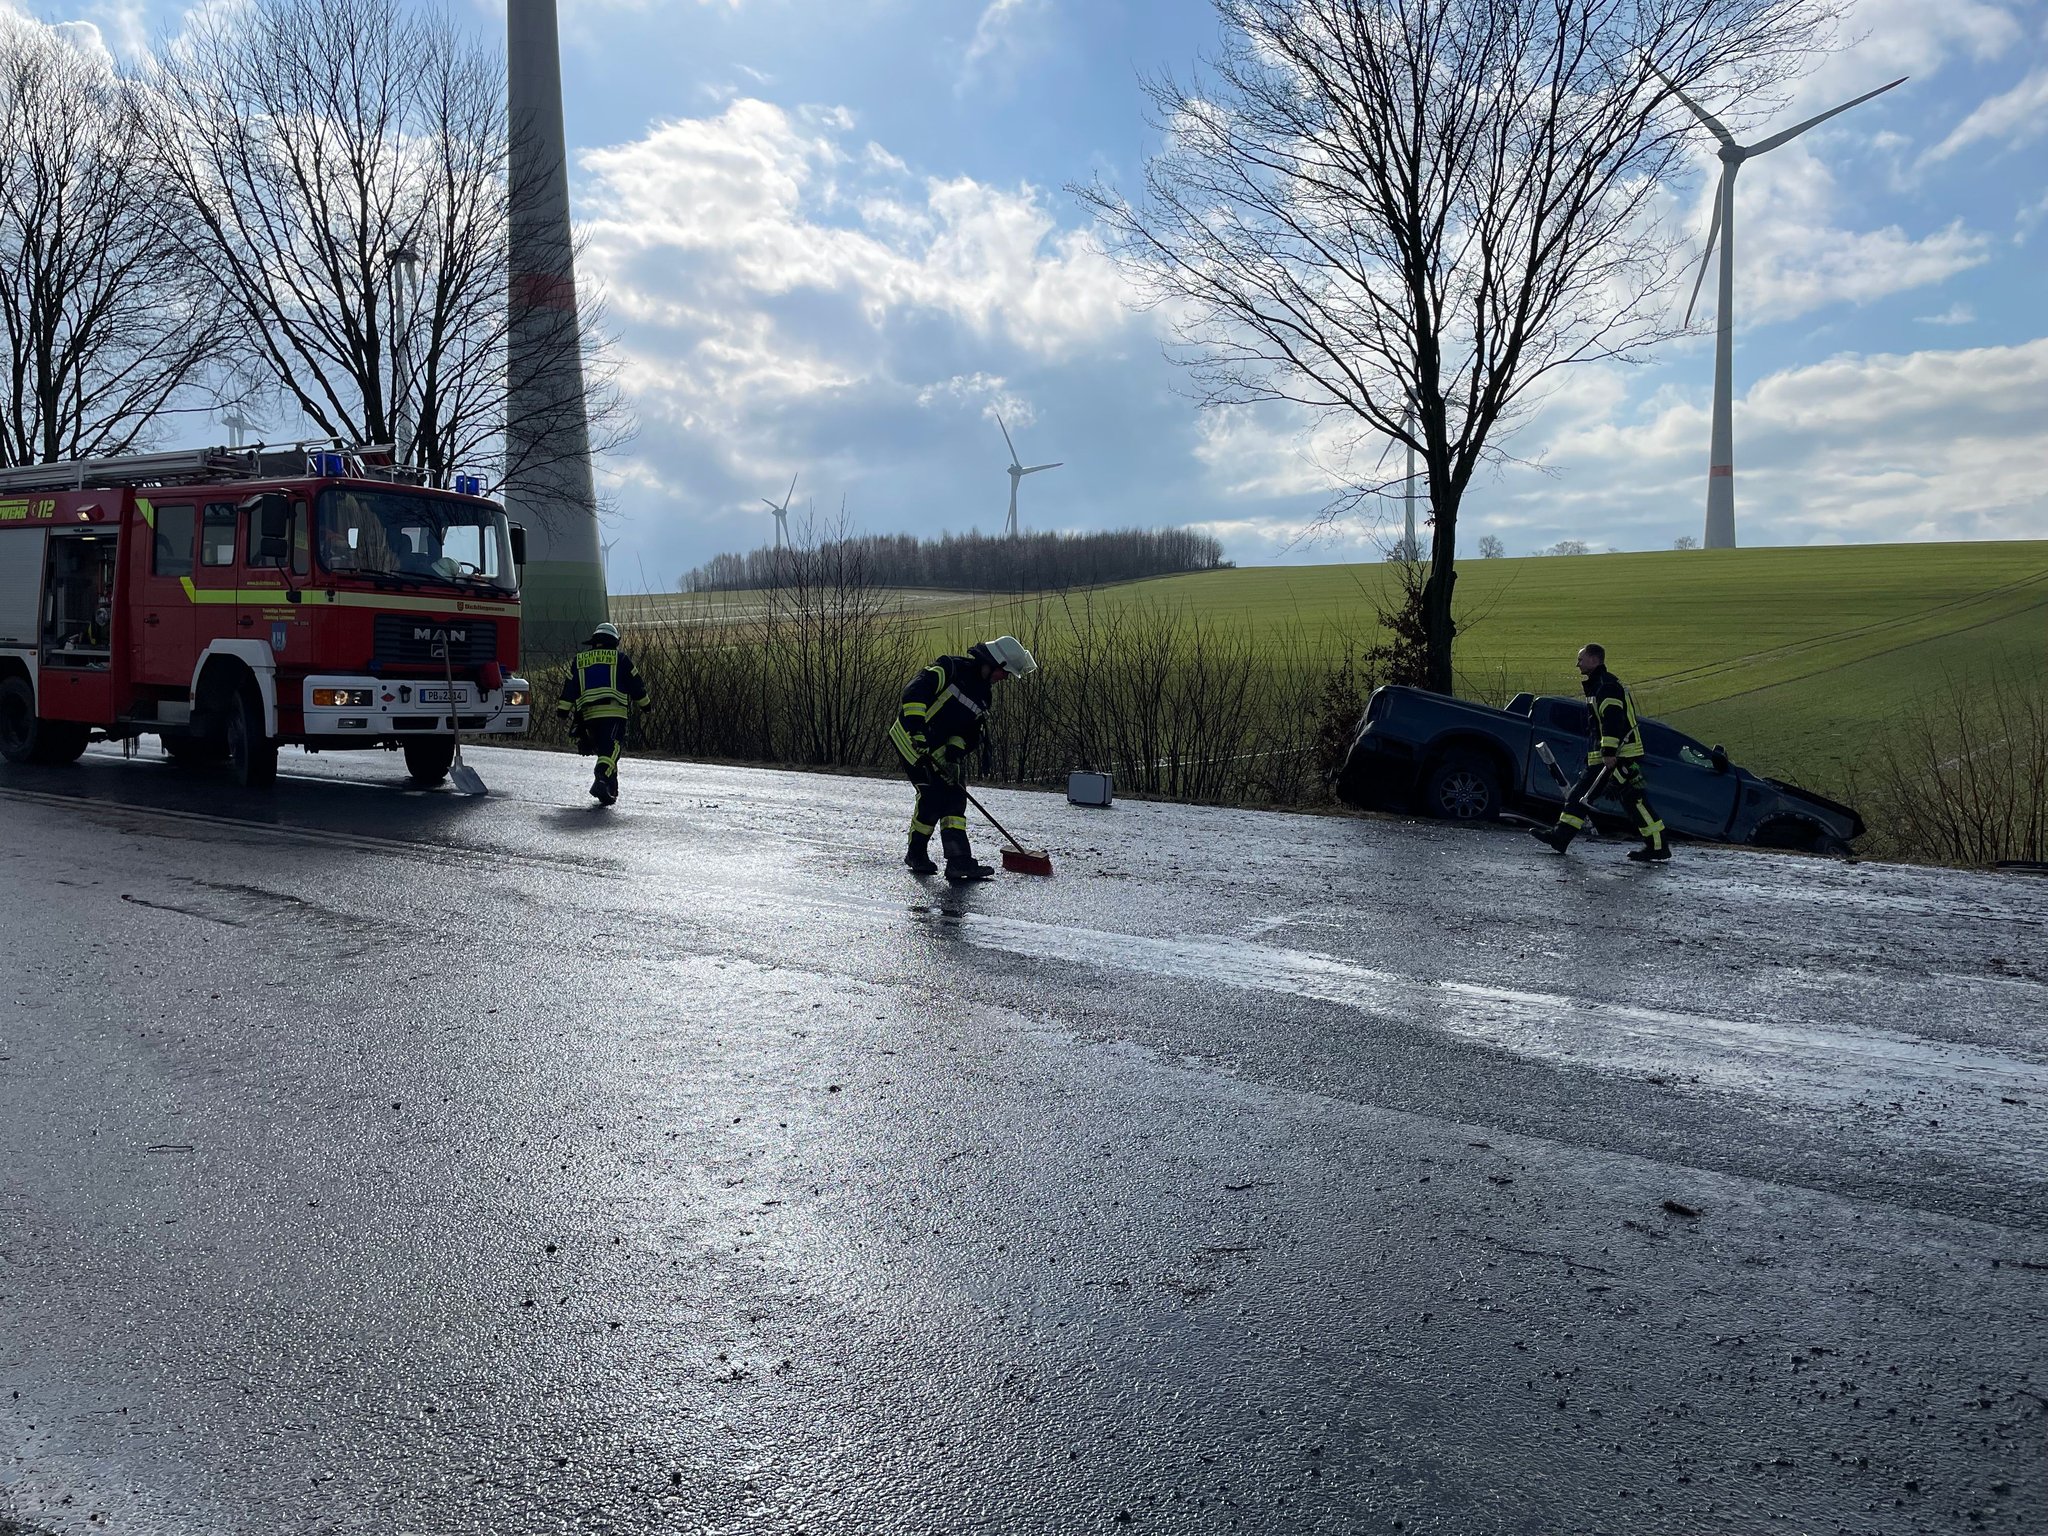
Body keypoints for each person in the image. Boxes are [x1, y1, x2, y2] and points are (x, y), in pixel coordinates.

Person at [889, 635, 1037, 882]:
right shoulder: (950, 668)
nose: (1005, 678)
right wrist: (917, 732)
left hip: (940, 749)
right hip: (910, 738)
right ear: (992, 663)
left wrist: (956, 751)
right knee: (933, 795)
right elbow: (914, 692)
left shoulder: (983, 696)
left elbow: (969, 732)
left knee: (954, 797)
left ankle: (954, 861)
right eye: (1005, 672)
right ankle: (926, 856)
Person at [1531, 643, 1670, 862]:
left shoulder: (1606, 686)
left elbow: (1612, 721)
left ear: (1595, 660)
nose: (1577, 664)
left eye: (1581, 659)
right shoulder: (1599, 685)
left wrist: (1608, 752)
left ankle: (1658, 845)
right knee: (1590, 797)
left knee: (1630, 801)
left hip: (1617, 756)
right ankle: (1560, 837)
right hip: (1610, 756)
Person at [556, 622, 649, 806]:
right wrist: (646, 706)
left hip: (587, 717)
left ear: (594, 641)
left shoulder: (579, 660)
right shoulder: (620, 659)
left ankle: (608, 789)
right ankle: (601, 778)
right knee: (612, 748)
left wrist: (562, 713)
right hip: (613, 713)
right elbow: (636, 685)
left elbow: (569, 689)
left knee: (603, 751)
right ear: (614, 641)